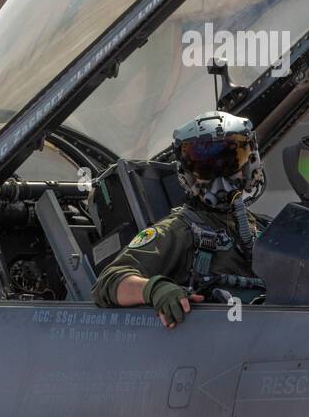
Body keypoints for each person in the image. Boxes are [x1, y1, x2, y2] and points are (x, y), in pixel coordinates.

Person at [91, 111, 267, 328]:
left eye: (231, 162)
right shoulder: (180, 230)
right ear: (187, 174)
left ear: (251, 161)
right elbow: (110, 281)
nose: (219, 178)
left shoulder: (263, 229)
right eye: (205, 167)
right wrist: (155, 289)